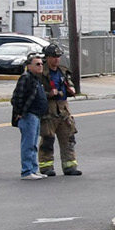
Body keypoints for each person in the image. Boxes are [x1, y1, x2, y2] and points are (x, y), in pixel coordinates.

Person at [37, 43, 81, 176]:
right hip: (48, 111)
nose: (56, 59)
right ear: (47, 57)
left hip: (63, 109)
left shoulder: (63, 70)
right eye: (53, 56)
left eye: (58, 56)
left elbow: (69, 83)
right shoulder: (40, 72)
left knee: (68, 138)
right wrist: (48, 94)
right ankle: (46, 167)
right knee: (47, 140)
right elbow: (34, 92)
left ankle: (70, 166)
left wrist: (71, 90)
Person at [10, 53, 49, 180]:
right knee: (28, 144)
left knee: (33, 144)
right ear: (29, 66)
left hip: (37, 115)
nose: (40, 66)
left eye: (42, 64)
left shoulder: (36, 78)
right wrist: (20, 113)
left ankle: (33, 169)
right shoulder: (25, 78)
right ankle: (27, 171)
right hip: (28, 116)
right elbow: (17, 97)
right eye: (37, 64)